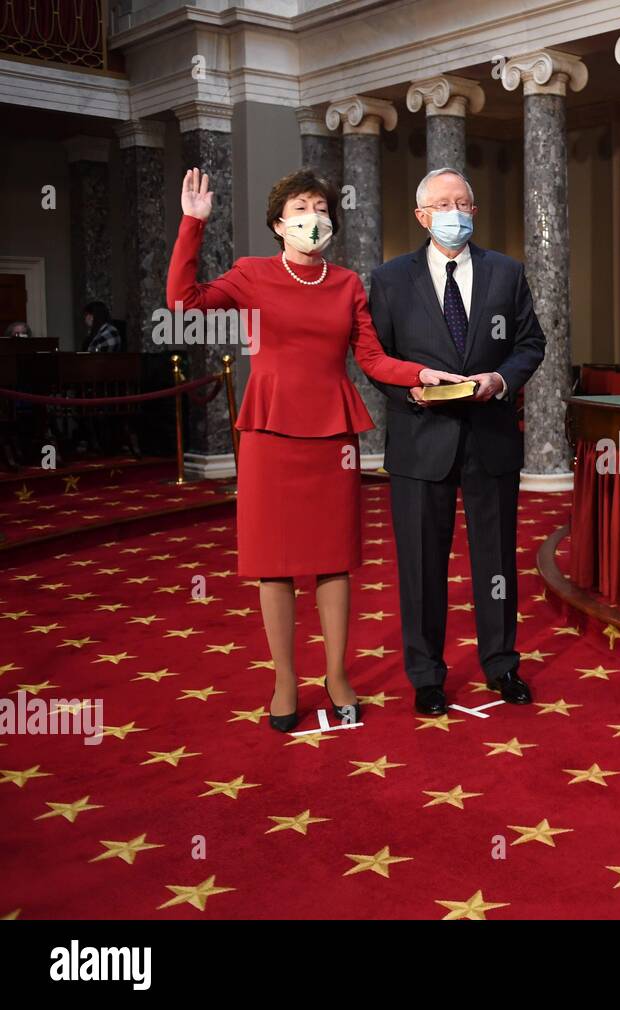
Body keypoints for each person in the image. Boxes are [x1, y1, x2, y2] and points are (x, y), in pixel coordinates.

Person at [166, 166, 444, 733]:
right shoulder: (251, 275)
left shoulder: (347, 284)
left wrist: (419, 373)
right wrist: (193, 225)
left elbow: (371, 358)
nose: (311, 218)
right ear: (278, 223)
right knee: (275, 564)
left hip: (331, 438)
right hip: (269, 436)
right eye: (299, 208)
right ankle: (285, 680)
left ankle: (336, 676)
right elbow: (183, 305)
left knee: (333, 560)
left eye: (319, 208)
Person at [366, 167, 545, 716]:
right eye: (443, 205)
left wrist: (502, 380)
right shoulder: (390, 279)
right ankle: (426, 674)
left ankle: (501, 664)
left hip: (490, 438)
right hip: (422, 442)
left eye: (463, 202)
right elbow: (377, 359)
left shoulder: (506, 273)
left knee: (495, 563)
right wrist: (413, 393)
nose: (456, 213)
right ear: (422, 216)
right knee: (421, 565)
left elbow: (529, 343)